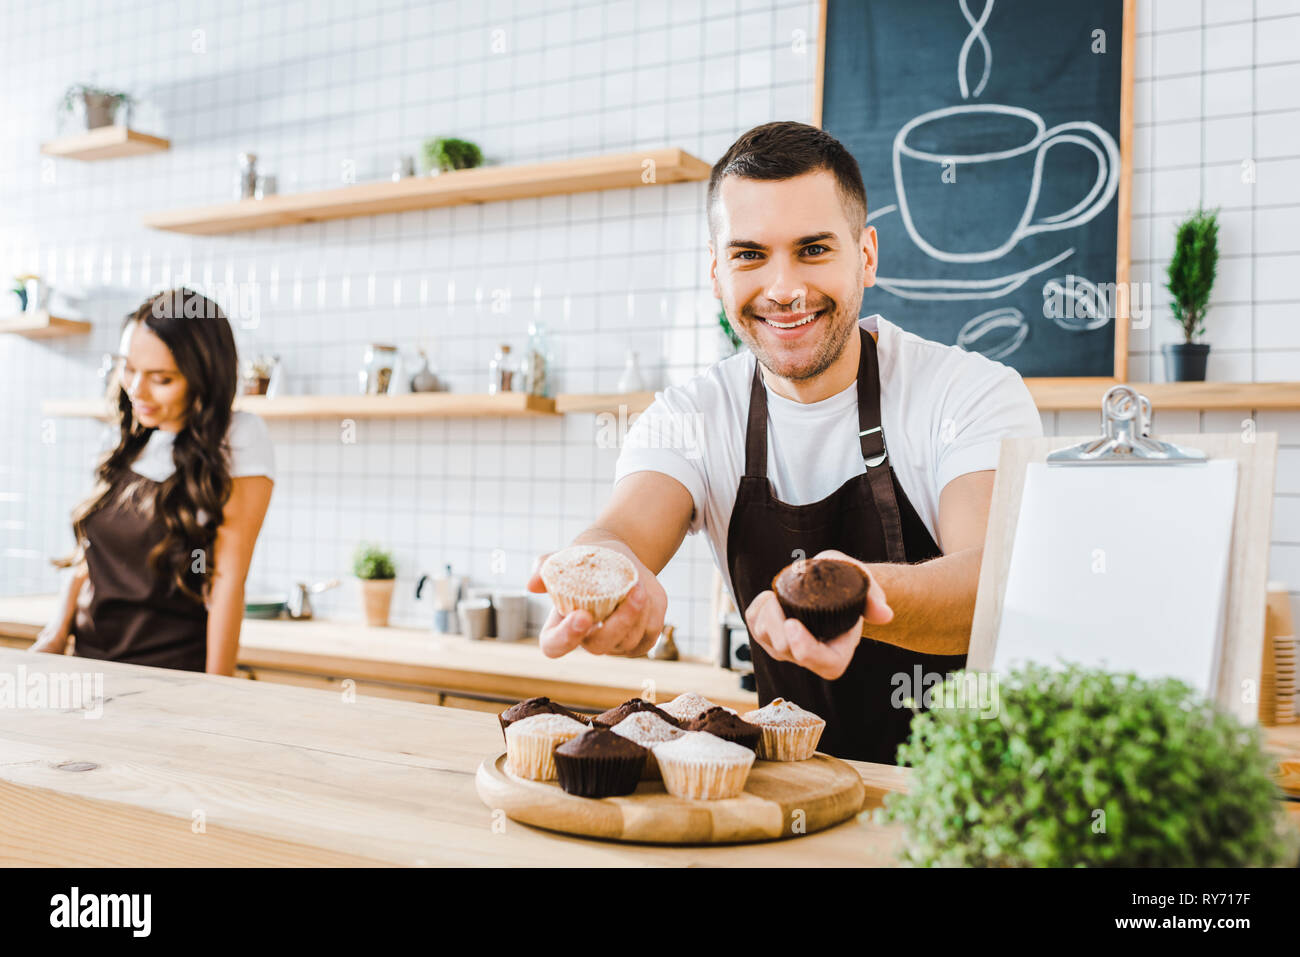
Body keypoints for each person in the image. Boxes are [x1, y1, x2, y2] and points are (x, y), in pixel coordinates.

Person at [527, 121, 1043, 764]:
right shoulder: (691, 414)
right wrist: (609, 578)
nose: (784, 289)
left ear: (867, 255)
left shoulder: (969, 393)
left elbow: (992, 586)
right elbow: (622, 532)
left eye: (813, 249)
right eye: (750, 255)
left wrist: (849, 593)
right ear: (717, 273)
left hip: (961, 802)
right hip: (794, 792)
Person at [32, 288, 275, 675]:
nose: (137, 390)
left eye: (161, 378)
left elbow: (227, 581)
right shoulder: (127, 435)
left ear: (203, 376)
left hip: (170, 675)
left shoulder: (239, 436)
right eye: (129, 368)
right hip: (88, 667)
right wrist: (55, 634)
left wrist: (217, 692)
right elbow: (87, 556)